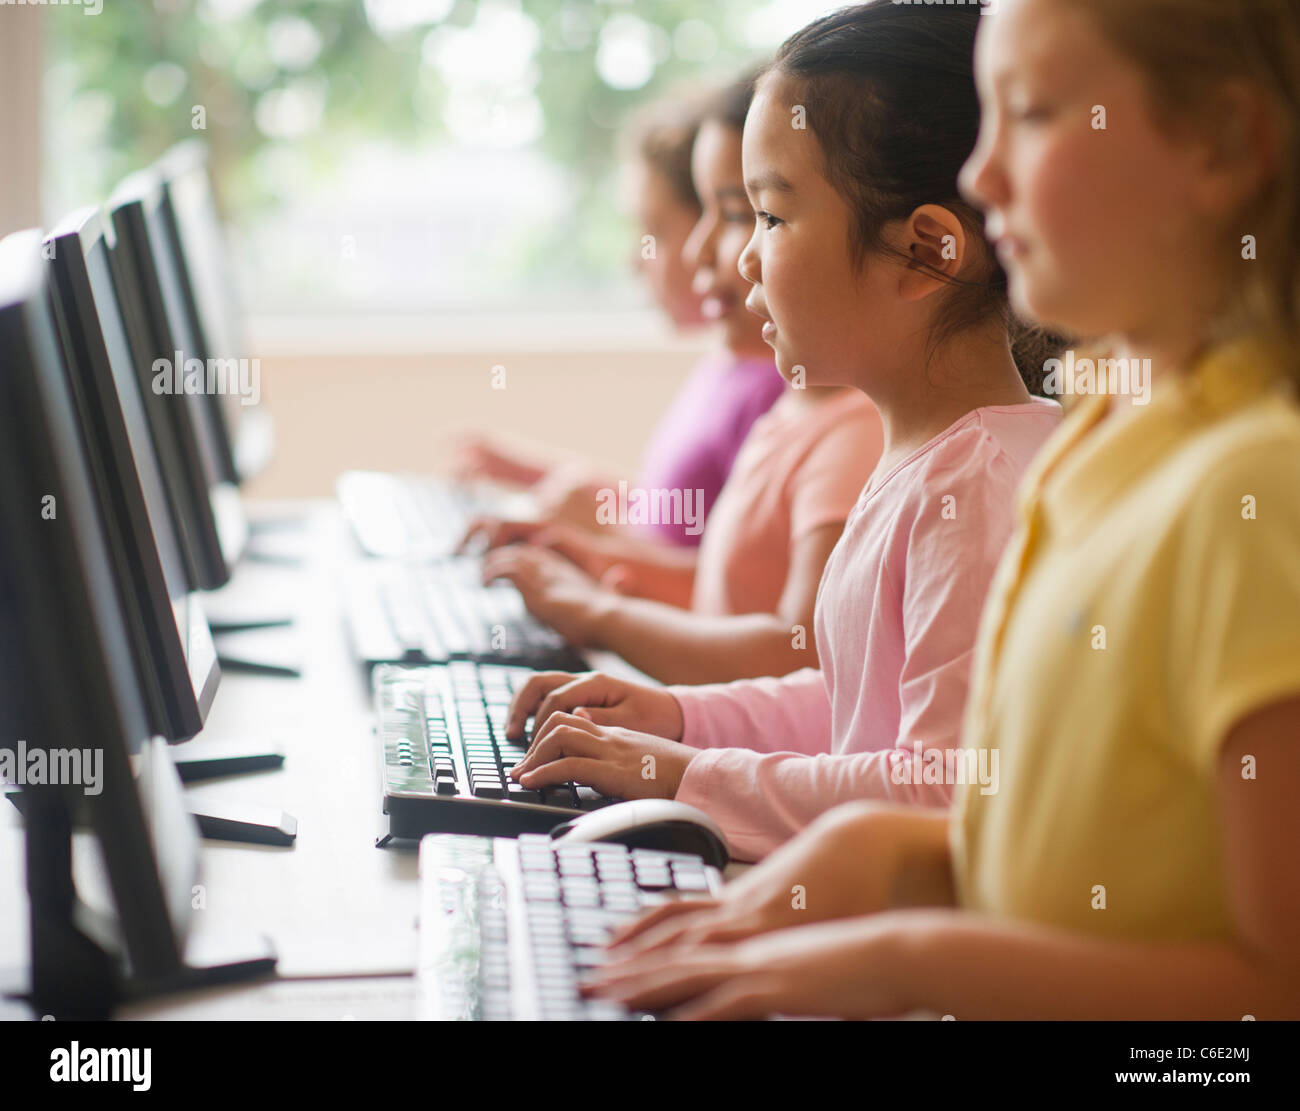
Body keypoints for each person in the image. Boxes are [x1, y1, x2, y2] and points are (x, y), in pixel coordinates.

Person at [583, 0, 1300, 1021]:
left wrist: (907, 957)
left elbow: (1268, 1003)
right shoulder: (1099, 443)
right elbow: (1010, 808)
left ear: (1222, 143)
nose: (979, 176)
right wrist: (878, 855)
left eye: (1035, 113)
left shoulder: (1255, 493)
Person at [505, 2, 1061, 858]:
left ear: (925, 253)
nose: (741, 259)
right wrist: (684, 717)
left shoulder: (975, 485)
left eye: (769, 216)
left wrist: (678, 775)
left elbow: (941, 788)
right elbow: (851, 707)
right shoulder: (932, 454)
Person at [475, 75, 884, 685]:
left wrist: (603, 614)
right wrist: (591, 561)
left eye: (750, 216)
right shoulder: (791, 410)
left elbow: (800, 661)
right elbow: (724, 589)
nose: (708, 255)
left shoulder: (843, 431)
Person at [455, 87, 785, 548]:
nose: (636, 260)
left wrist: (600, 538)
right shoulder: (730, 362)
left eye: (653, 231)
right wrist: (536, 475)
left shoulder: (781, 382)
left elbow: (735, 585)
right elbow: (682, 514)